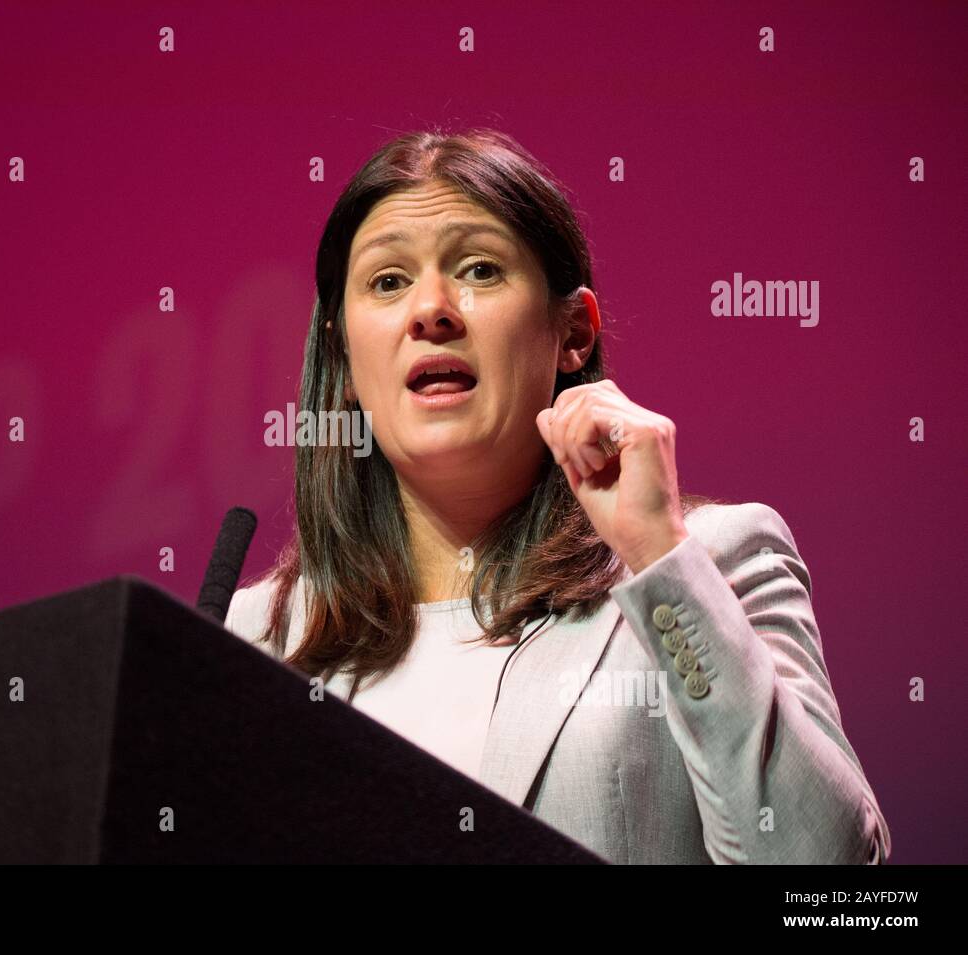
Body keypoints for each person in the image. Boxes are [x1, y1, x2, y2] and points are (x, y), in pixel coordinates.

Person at [224, 128, 890, 865]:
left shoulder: (706, 562)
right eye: (388, 281)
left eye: (479, 270)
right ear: (345, 352)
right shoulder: (258, 633)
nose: (431, 310)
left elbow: (827, 872)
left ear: (572, 333)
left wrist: (658, 553)